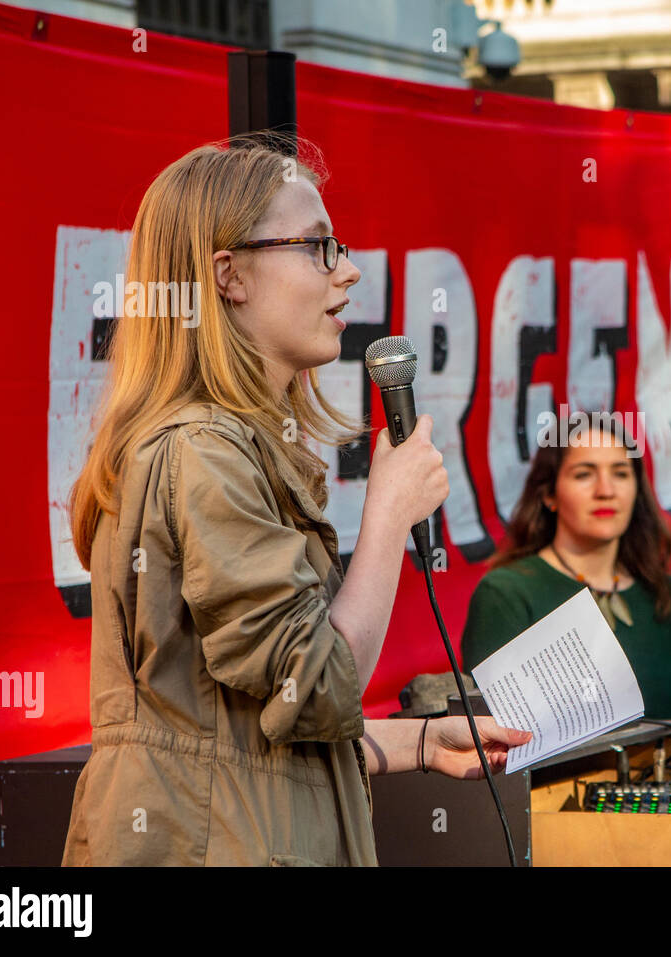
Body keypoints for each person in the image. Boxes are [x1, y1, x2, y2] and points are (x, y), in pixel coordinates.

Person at [61, 134, 529, 866]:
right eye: (317, 246)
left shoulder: (222, 446)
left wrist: (411, 739)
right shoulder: (202, 454)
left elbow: (243, 732)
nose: (348, 271)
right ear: (230, 275)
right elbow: (312, 682)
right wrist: (387, 518)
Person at [460, 415, 671, 763]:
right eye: (584, 474)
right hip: (546, 808)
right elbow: (492, 740)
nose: (606, 490)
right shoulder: (507, 592)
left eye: (621, 473)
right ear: (549, 494)